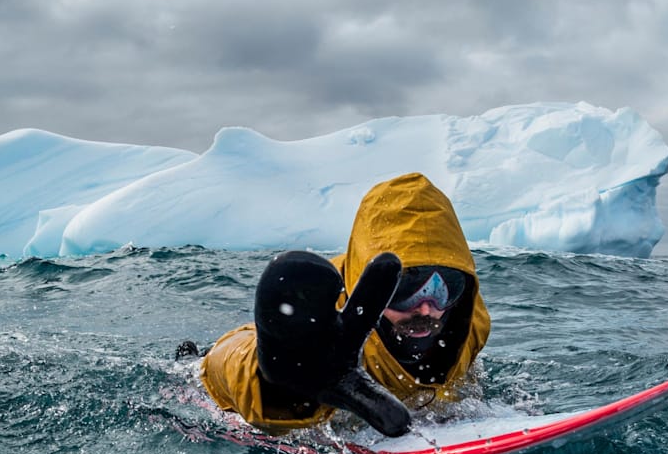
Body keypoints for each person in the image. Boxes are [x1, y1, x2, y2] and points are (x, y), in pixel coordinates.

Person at [201, 172, 491, 436]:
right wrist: (282, 386)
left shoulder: (469, 320)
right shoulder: (329, 309)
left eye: (444, 287)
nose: (427, 308)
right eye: (408, 287)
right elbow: (226, 357)